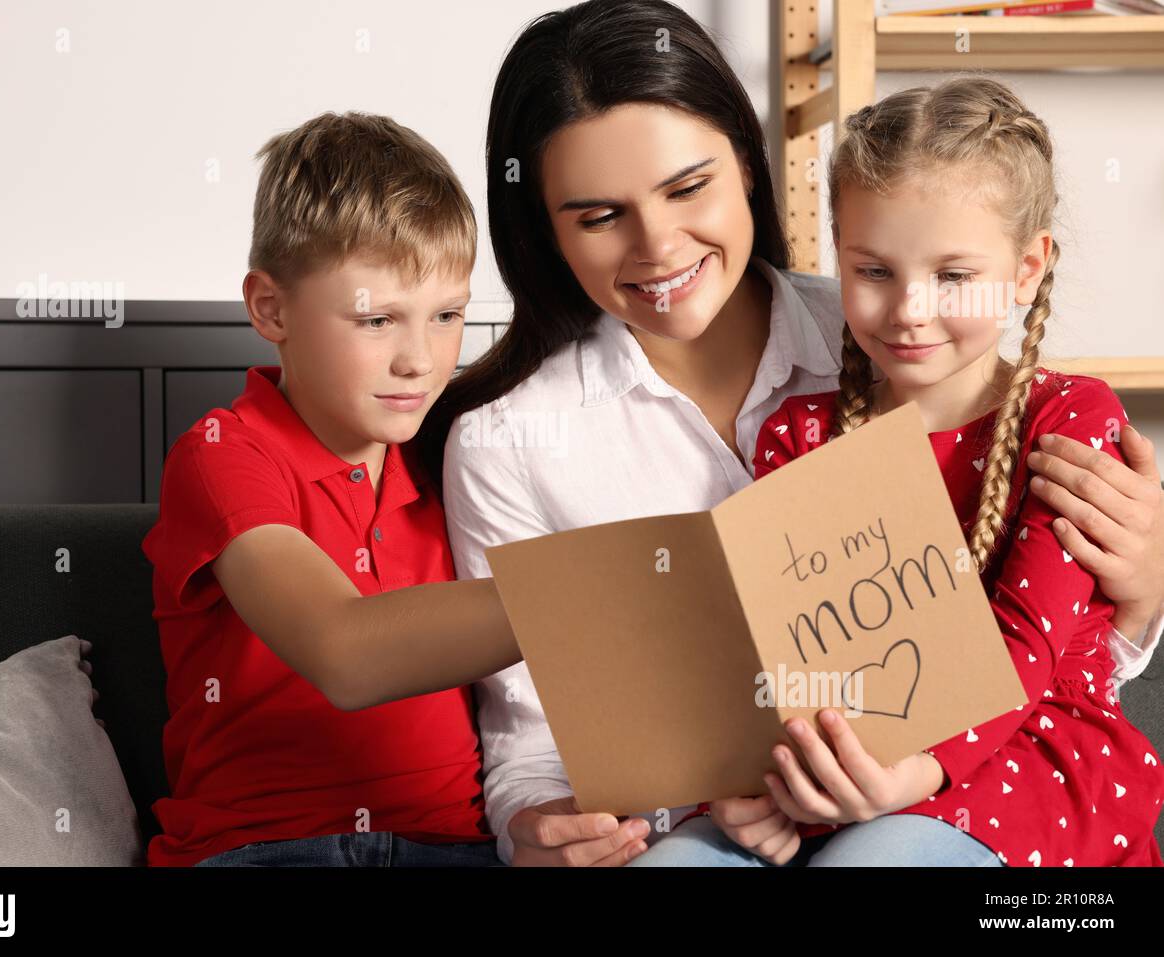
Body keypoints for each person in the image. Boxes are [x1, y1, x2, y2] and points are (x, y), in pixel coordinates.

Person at [425, 0, 1164, 866]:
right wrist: (550, 825)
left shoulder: (889, 334)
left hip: (987, 789)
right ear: (544, 231)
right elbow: (534, 741)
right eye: (597, 216)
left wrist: (1144, 591)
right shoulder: (511, 443)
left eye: (688, 186)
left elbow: (1057, 651)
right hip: (772, 802)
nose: (658, 246)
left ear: (747, 163)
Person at [630, 76, 1162, 867]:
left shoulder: (1070, 418)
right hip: (844, 759)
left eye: (952, 276)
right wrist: (747, 792)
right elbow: (772, 652)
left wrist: (912, 774)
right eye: (874, 271)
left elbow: (1026, 645)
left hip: (1025, 752)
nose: (910, 308)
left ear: (1026, 268)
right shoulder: (797, 433)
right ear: (837, 256)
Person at [142, 112, 523, 867]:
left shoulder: (456, 451)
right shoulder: (223, 454)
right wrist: (599, 595)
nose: (420, 359)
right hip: (265, 850)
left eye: (448, 315)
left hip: (453, 846)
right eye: (377, 319)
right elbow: (344, 652)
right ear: (270, 308)